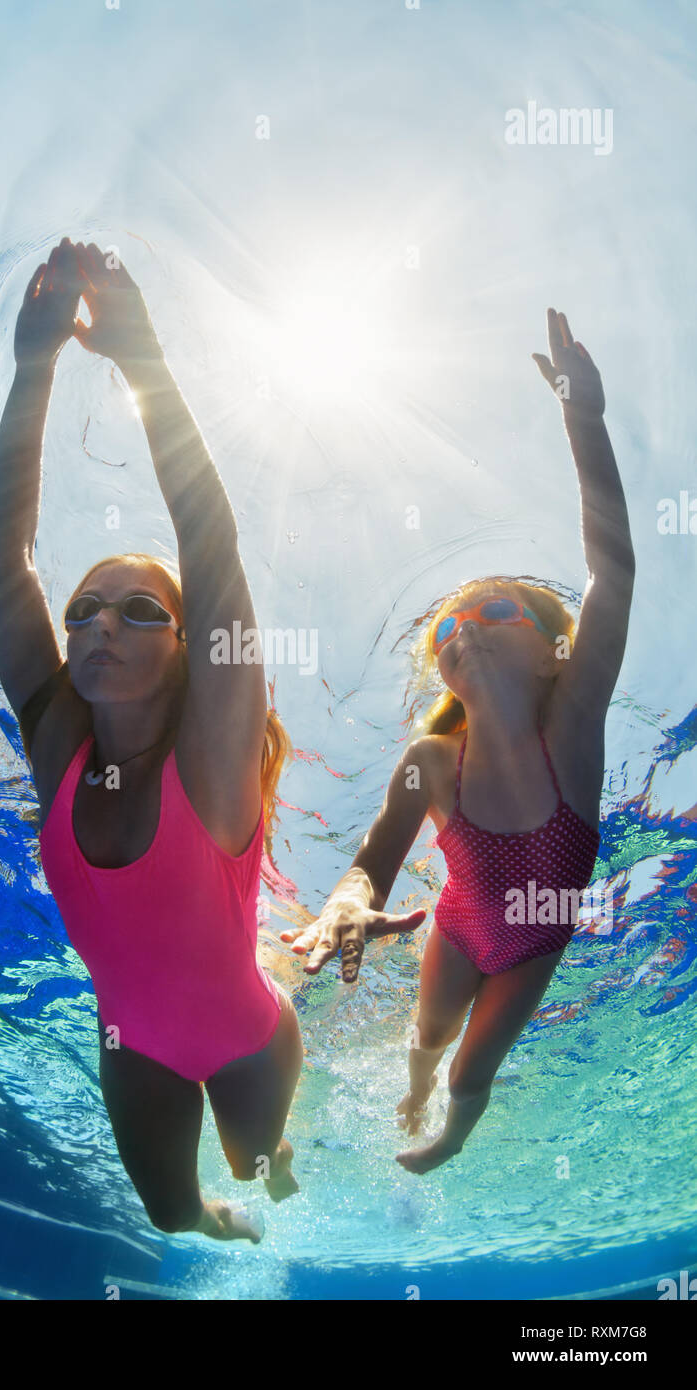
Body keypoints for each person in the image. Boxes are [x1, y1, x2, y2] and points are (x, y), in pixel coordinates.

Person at [0, 237, 303, 1242]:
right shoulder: (56, 744)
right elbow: (4, 560)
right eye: (83, 611)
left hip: (252, 1040)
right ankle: (223, 1215)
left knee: (258, 1162)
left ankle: (277, 1153)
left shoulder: (210, 760)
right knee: (172, 1218)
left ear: (185, 649)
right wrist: (32, 370)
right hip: (135, 1047)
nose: (98, 625)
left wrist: (143, 359)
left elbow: (210, 541)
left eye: (137, 611)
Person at [282, 309, 634, 1174]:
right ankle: (411, 1091)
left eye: (496, 610)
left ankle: (453, 1130)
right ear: (443, 668)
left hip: (539, 937)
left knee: (474, 1069)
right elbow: (376, 856)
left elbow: (613, 570)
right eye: (450, 621)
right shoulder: (432, 763)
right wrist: (346, 900)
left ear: (556, 655)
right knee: (427, 1039)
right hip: (465, 927)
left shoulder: (574, 719)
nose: (465, 624)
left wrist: (582, 420)